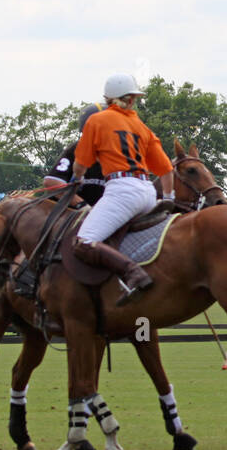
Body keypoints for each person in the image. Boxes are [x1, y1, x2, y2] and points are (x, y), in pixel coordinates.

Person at [67, 74, 174, 305]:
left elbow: (81, 163)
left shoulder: (97, 121)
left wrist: (76, 179)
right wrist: (168, 198)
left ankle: (132, 273)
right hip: (147, 191)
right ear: (132, 99)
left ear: (108, 98)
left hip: (122, 190)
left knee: (83, 242)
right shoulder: (141, 126)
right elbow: (166, 169)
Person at [43, 104, 107, 206]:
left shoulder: (121, 152)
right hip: (70, 212)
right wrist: (81, 205)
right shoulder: (75, 149)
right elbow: (52, 182)